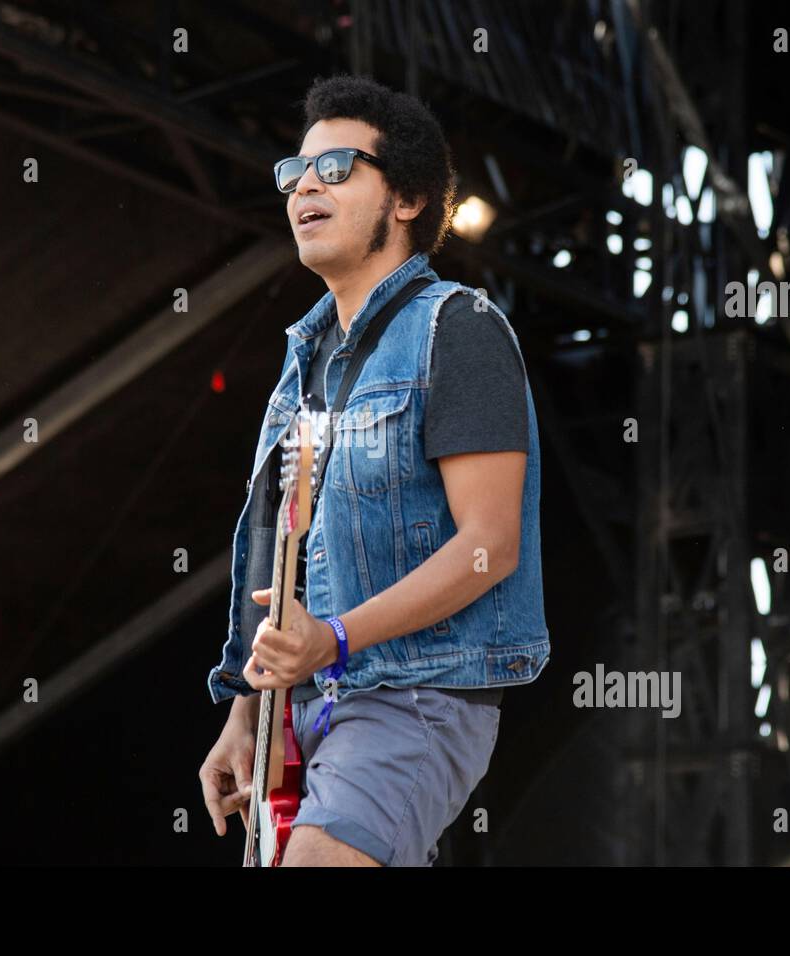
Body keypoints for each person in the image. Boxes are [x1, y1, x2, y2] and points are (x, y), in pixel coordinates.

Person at [199, 74, 550, 866]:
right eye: (294, 174)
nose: (303, 189)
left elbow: (490, 545)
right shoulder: (301, 365)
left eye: (337, 168)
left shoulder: (459, 329)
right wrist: (252, 713)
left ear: (409, 198)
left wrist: (335, 639)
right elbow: (277, 561)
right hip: (310, 708)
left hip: (416, 698)